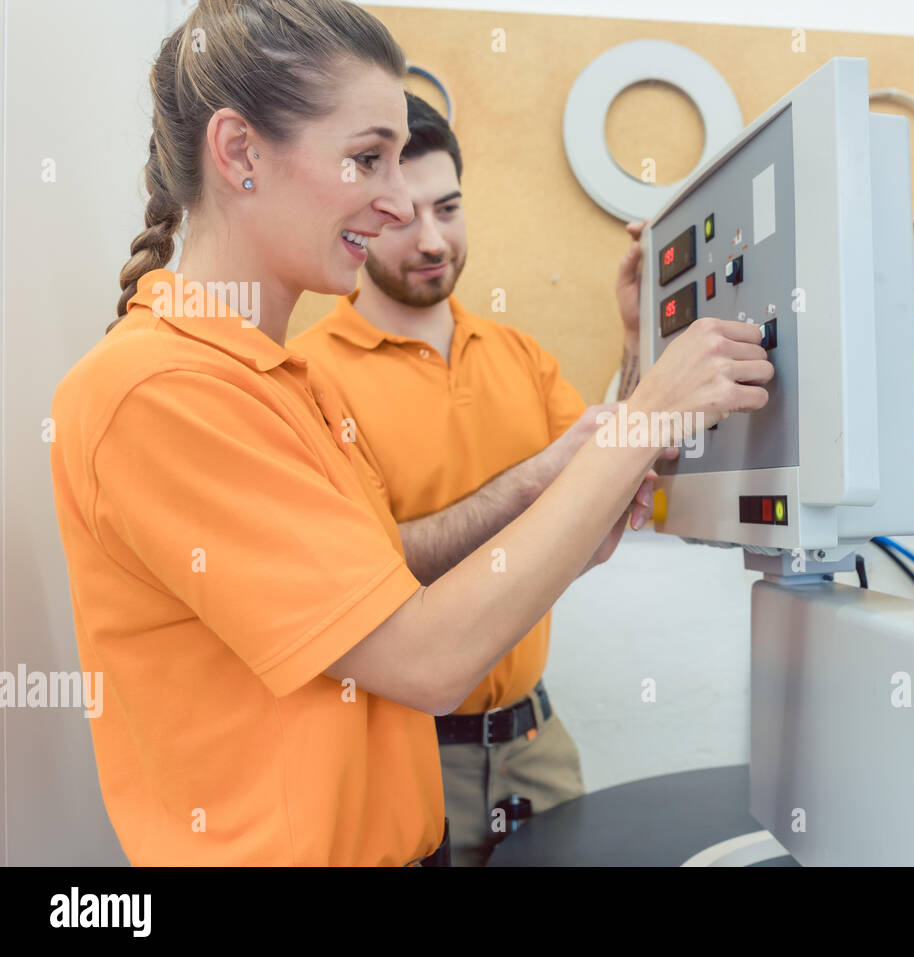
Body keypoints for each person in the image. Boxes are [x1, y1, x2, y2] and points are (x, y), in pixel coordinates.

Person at [48, 0, 771, 866]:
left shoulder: (286, 382)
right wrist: (643, 419)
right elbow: (427, 658)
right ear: (240, 152)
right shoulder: (159, 390)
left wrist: (575, 500)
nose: (398, 207)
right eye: (367, 161)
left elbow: (384, 594)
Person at [289, 93, 645, 865]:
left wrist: (638, 337)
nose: (431, 239)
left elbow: (609, 485)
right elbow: (372, 574)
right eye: (402, 216)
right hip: (403, 756)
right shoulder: (308, 375)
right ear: (360, 219)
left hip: (536, 740)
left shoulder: (520, 354)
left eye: (448, 208)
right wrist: (530, 484)